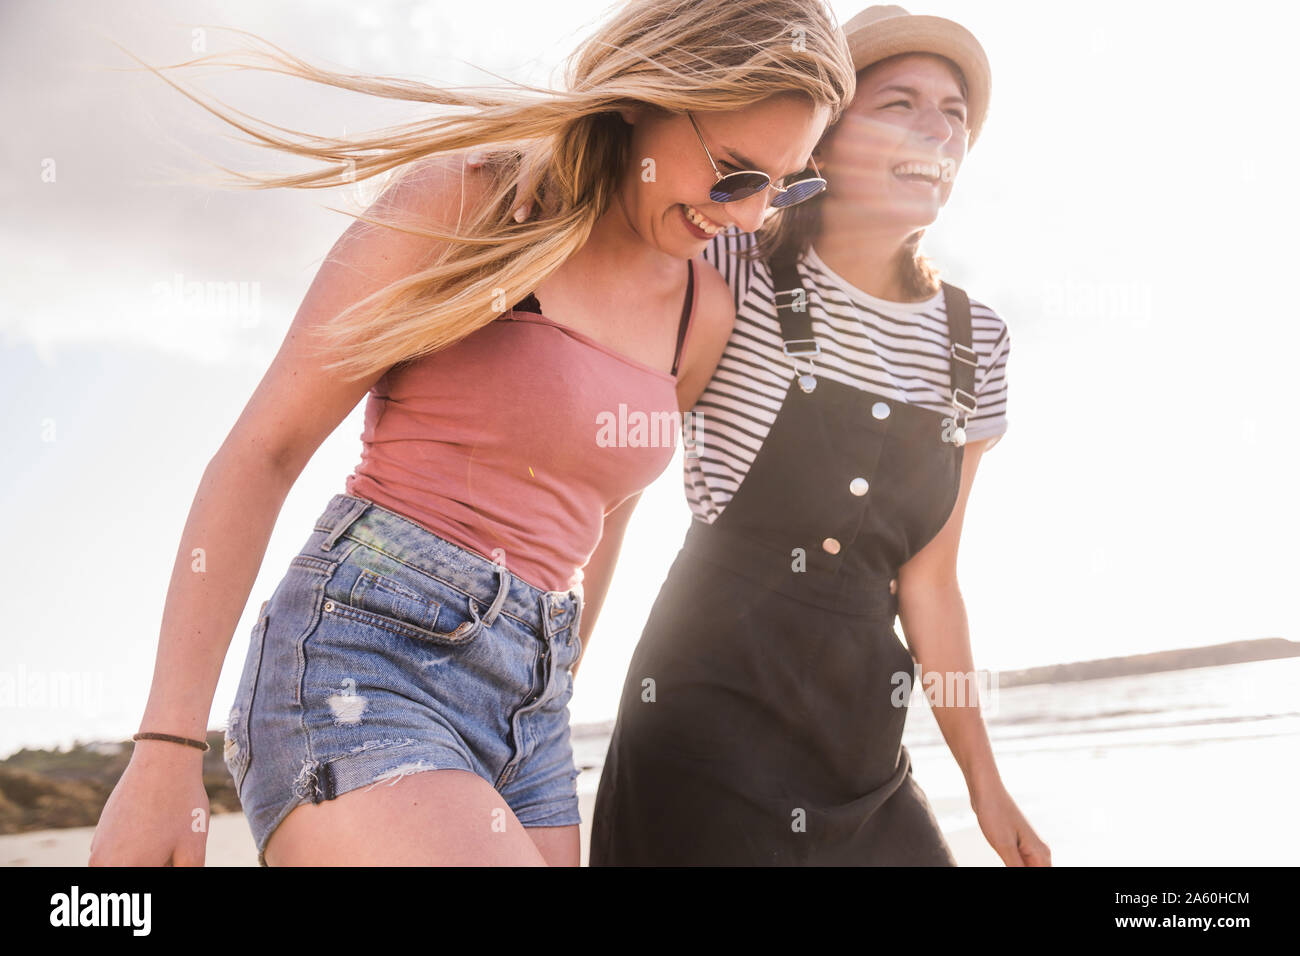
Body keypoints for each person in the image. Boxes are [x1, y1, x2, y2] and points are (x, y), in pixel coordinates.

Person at [87, 0, 857, 866]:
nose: (749, 215)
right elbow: (264, 451)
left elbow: (605, 523)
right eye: (732, 172)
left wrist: (554, 688)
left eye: (783, 185)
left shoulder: (700, 313)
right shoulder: (474, 202)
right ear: (645, 97)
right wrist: (164, 750)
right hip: (364, 654)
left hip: (533, 711)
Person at [589, 5, 1053, 865]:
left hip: (863, 759)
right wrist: (548, 694)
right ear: (820, 144)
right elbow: (613, 486)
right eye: (900, 103)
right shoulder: (730, 263)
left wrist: (987, 790)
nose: (937, 129)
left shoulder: (975, 342)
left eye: (953, 112)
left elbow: (933, 586)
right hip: (698, 741)